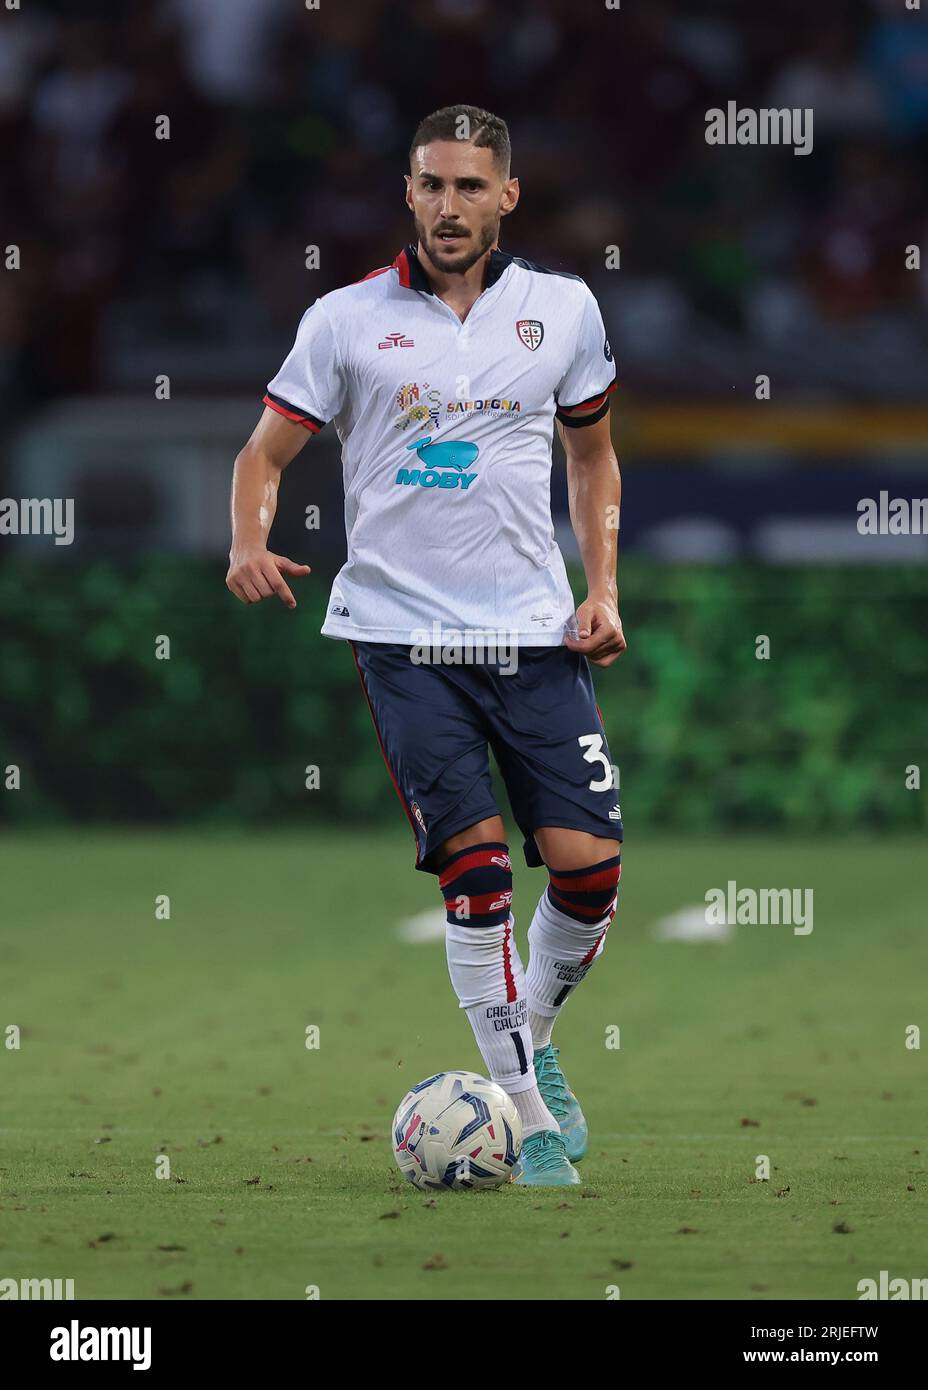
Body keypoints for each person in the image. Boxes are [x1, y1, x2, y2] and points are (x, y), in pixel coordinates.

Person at [227, 105, 626, 1186]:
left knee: (592, 879)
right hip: (402, 639)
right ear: (408, 194)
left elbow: (591, 460)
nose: (448, 205)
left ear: (506, 197)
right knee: (479, 876)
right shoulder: (344, 320)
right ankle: (528, 1117)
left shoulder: (564, 311)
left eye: (468, 186)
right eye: (430, 185)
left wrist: (603, 588)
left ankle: (530, 1035)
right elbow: (263, 454)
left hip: (536, 637)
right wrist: (247, 541)